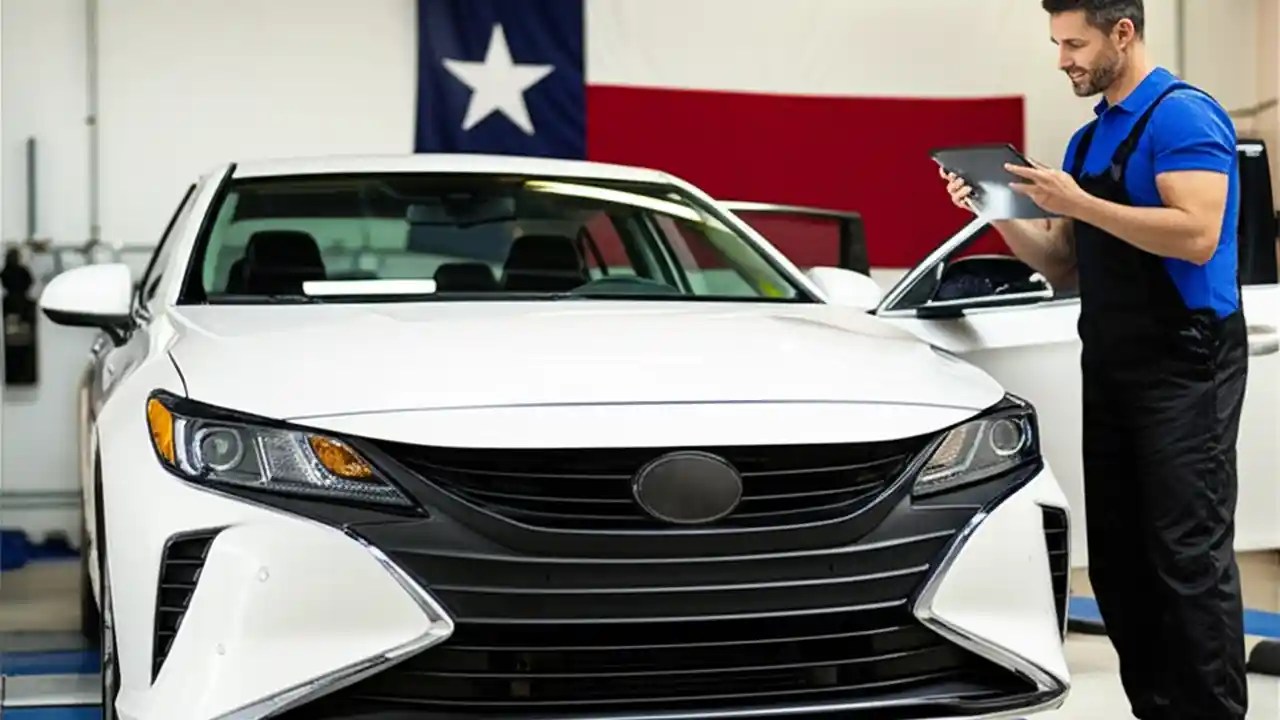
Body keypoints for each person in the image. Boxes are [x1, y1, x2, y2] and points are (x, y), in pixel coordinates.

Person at [941, 1, 1249, 718]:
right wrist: (997, 209)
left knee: (1186, 558)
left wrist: (1079, 201)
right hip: (1112, 365)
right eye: (1056, 43)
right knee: (1118, 559)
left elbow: (1197, 234)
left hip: (1184, 364)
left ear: (1123, 32)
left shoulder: (1183, 116)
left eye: (1074, 43)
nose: (1063, 60)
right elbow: (1061, 264)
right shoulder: (1086, 143)